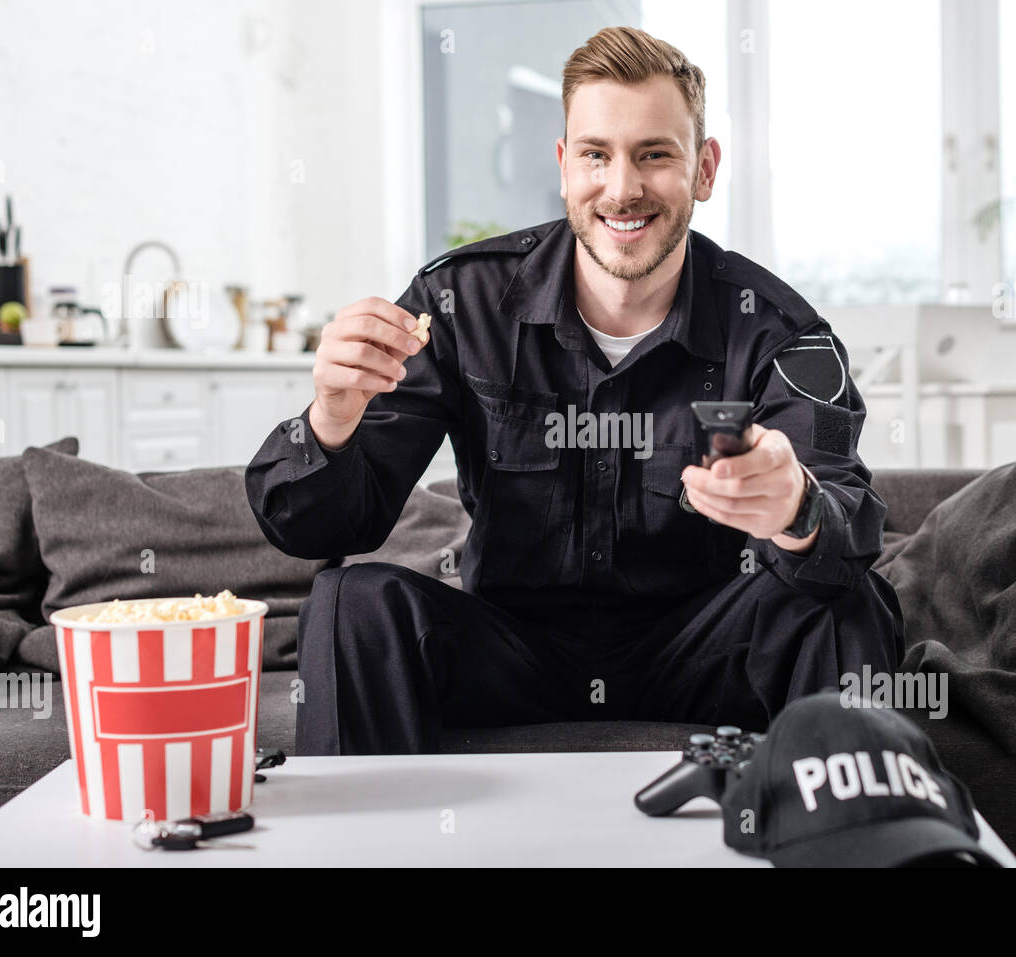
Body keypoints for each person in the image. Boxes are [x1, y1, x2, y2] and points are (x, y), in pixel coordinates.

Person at [245, 26, 905, 755]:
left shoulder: (776, 330)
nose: (622, 188)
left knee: (844, 604)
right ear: (564, 166)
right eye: (597, 154)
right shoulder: (461, 301)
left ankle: (860, 836)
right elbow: (317, 531)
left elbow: (849, 527)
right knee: (351, 601)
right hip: (510, 652)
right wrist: (331, 419)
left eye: (655, 154)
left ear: (706, 169)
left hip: (702, 652)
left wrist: (799, 505)